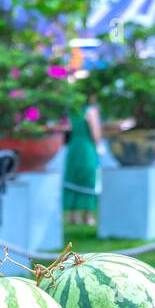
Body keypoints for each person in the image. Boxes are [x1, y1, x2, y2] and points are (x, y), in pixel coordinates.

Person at [63, 95, 103, 228]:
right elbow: (95, 133)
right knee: (88, 179)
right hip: (87, 147)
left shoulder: (72, 112)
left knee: (73, 177)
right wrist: (99, 146)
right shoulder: (90, 111)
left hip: (74, 148)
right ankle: (87, 217)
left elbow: (67, 130)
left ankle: (72, 216)